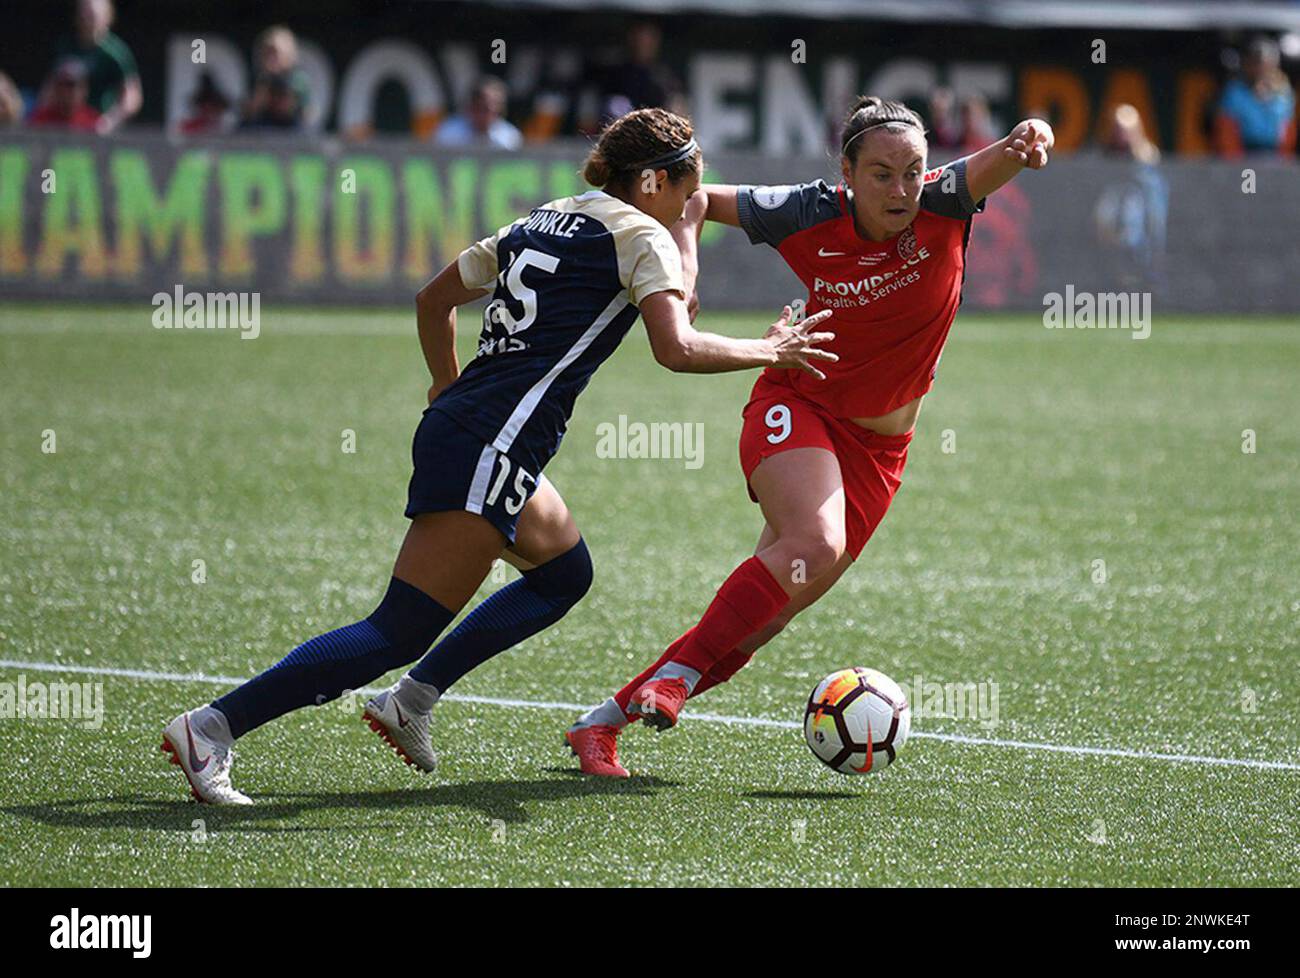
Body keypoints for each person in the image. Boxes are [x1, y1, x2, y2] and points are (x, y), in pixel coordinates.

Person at [159, 107, 835, 804]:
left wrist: (446, 387)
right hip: (494, 442)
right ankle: (213, 726)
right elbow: (678, 345)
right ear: (654, 181)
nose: (693, 200)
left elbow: (433, 300)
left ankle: (412, 700)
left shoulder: (544, 218)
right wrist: (772, 350)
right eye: (690, 188)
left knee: (564, 574)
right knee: (397, 629)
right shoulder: (641, 235)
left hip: (476, 429)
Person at [567, 95, 1055, 777]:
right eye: (881, 173)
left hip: (880, 454)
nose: (902, 189)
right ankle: (673, 681)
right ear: (847, 175)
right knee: (816, 543)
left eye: (913, 171)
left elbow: (1010, 148)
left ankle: (601, 725)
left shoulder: (947, 200)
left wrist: (1031, 135)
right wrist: (687, 268)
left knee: (763, 622)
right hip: (799, 405)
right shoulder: (807, 210)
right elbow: (698, 201)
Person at [48, 0, 140, 134]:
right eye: (83, 13)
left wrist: (109, 122)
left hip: (97, 125)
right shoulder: (66, 46)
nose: (87, 19)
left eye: (92, 15)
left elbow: (132, 97)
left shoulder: (115, 53)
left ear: (107, 17)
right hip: (66, 123)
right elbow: (50, 86)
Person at [1214, 37, 1296, 157]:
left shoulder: (1283, 93)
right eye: (1256, 62)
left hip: (1275, 159)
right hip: (1243, 158)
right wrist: (1235, 165)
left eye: (1267, 63)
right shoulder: (1234, 93)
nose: (1261, 68)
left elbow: (1288, 132)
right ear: (1246, 64)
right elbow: (1226, 133)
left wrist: (1283, 161)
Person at [239, 25, 311, 131]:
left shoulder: (298, 79)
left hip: (291, 132)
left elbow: (304, 114)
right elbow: (248, 112)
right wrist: (265, 82)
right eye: (267, 52)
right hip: (260, 129)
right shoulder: (259, 77)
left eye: (275, 52)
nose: (271, 57)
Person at [434, 77, 523, 150]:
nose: (490, 112)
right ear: (471, 108)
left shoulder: (510, 137)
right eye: (484, 108)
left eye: (496, 108)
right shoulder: (449, 132)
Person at [28, 59, 101, 132]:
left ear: (84, 89)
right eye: (60, 84)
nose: (65, 91)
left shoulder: (94, 121)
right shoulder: (40, 118)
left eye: (71, 85)